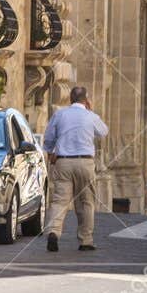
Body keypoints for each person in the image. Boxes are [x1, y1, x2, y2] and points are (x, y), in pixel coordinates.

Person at [43, 85, 108, 253]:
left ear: (70, 99)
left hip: (63, 161)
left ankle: (53, 232)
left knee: (59, 201)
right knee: (86, 202)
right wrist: (91, 111)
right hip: (85, 162)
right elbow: (103, 131)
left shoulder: (60, 114)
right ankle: (85, 240)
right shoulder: (90, 116)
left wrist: (50, 152)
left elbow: (49, 136)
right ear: (86, 100)